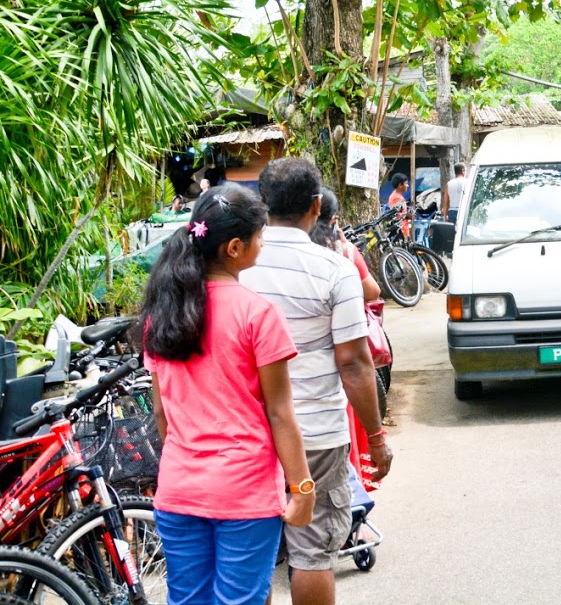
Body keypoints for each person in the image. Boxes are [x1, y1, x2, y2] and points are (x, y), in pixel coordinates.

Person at [141, 184, 315, 605]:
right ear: (235, 247)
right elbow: (280, 414)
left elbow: (162, 416)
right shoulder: (257, 313)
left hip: (179, 490)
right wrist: (303, 488)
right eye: (260, 237)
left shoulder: (162, 315)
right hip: (244, 493)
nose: (262, 244)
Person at [242, 158, 393, 605]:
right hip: (316, 436)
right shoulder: (335, 270)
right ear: (314, 206)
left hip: (250, 431)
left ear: (262, 206)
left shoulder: (234, 264)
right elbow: (354, 364)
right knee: (312, 555)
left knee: (255, 557)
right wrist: (377, 436)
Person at [311, 187, 381, 304]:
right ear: (334, 219)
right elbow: (373, 292)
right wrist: (344, 246)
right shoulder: (345, 250)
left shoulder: (289, 248)